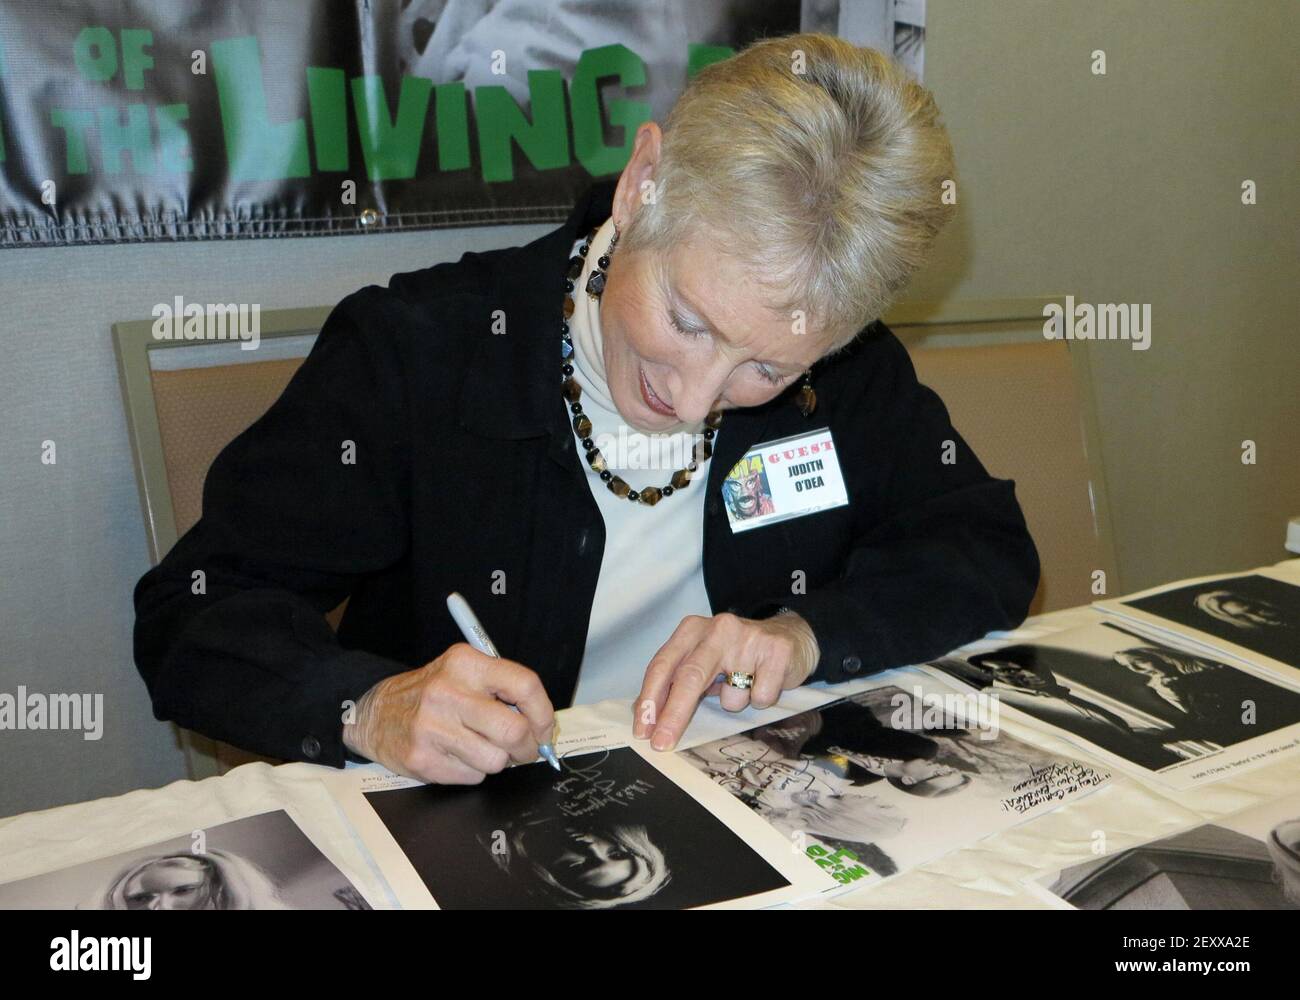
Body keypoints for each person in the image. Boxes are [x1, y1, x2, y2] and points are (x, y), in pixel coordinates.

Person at [133, 34, 1039, 784]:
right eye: (686, 321)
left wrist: (807, 635)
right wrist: (366, 706)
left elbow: (983, 546)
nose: (691, 397)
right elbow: (193, 612)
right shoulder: (418, 353)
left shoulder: (843, 372)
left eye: (762, 368)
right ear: (642, 183)